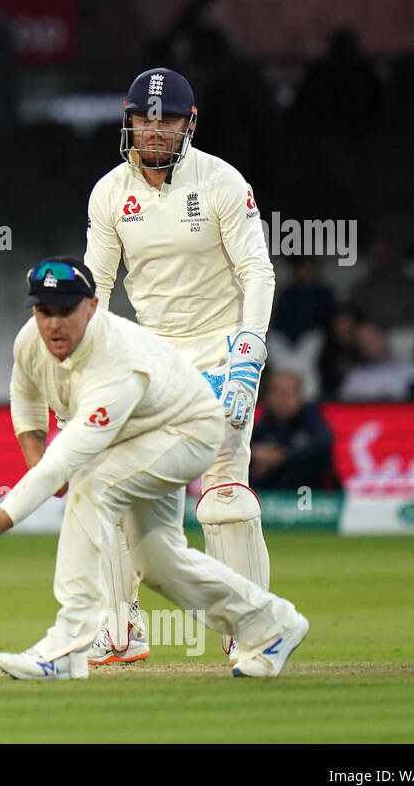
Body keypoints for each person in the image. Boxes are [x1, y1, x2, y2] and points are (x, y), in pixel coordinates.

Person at [0, 259, 308, 680]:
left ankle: (66, 646)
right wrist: (34, 453)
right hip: (143, 434)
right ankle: (272, 624)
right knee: (158, 562)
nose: (53, 324)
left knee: (91, 488)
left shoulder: (116, 365)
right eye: (44, 312)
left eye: (65, 311)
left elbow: (64, 465)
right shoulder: (31, 340)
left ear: (93, 307)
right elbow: (25, 394)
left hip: (188, 429)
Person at [83, 67, 276, 660]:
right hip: (153, 359)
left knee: (223, 496)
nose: (155, 129)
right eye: (145, 117)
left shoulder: (222, 181)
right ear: (130, 119)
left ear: (190, 123)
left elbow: (256, 272)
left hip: (221, 351)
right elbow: (99, 287)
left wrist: (248, 357)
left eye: (167, 119)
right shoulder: (110, 193)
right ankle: (120, 629)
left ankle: (251, 631)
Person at [249, 370, 336, 491]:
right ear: (268, 397)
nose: (283, 401)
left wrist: (282, 455)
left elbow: (324, 441)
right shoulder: (264, 423)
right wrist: (253, 453)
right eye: (278, 394)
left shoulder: (310, 416)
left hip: (312, 495)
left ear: (299, 397)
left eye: (288, 394)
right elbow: (246, 447)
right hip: (271, 497)